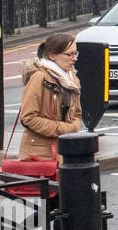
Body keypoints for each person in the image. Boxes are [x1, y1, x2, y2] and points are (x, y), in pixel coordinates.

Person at [18, 31, 83, 163]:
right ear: (52, 56)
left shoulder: (71, 79)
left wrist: (75, 126)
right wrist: (64, 129)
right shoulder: (39, 78)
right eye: (69, 54)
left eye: (75, 53)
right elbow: (28, 118)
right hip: (38, 155)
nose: (74, 58)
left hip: (65, 152)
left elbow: (77, 113)